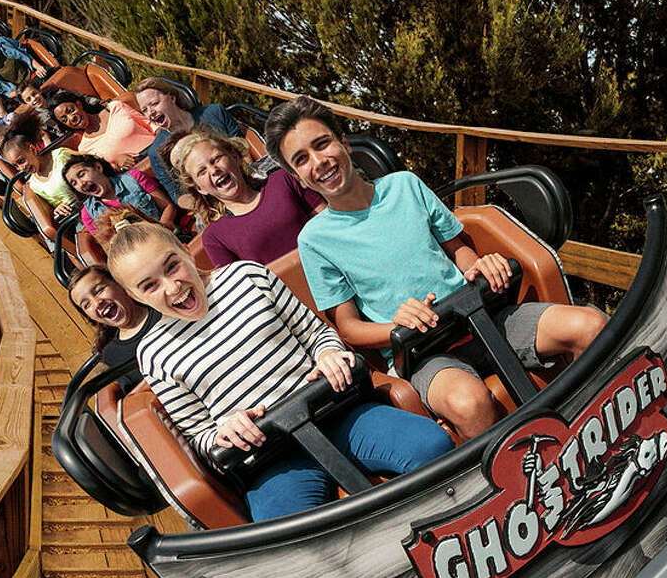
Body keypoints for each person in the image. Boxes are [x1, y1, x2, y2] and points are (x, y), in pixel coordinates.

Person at [266, 96, 606, 440]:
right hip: (424, 352)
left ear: (344, 142)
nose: (318, 162)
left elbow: (458, 250)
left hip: (480, 316)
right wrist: (396, 325)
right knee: (470, 403)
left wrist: (480, 267)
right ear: (298, 178)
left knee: (590, 325)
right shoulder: (315, 240)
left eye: (322, 144)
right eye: (301, 159)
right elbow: (349, 327)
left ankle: (601, 437)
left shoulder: (405, 185)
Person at [107, 221, 453, 522]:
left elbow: (317, 335)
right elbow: (199, 436)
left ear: (186, 252)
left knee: (430, 445)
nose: (172, 287)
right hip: (273, 458)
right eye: (150, 286)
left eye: (172, 267)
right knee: (291, 534)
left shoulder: (247, 277)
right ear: (135, 296)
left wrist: (329, 354)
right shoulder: (155, 354)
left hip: (335, 415)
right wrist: (224, 432)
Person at [171, 129, 321, 268]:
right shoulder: (214, 236)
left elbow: (328, 220)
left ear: (235, 157)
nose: (214, 170)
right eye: (202, 171)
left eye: (216, 159)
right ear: (199, 188)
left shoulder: (283, 180)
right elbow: (243, 284)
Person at [131, 76, 244, 200]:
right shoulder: (156, 152)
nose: (150, 112)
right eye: (144, 110)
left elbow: (242, 150)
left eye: (154, 104)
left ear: (172, 98)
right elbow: (178, 195)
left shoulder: (214, 112)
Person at [68, 264, 156, 391]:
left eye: (99, 291)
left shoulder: (161, 308)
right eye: (87, 305)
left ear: (119, 283)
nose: (97, 303)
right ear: (89, 317)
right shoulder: (111, 355)